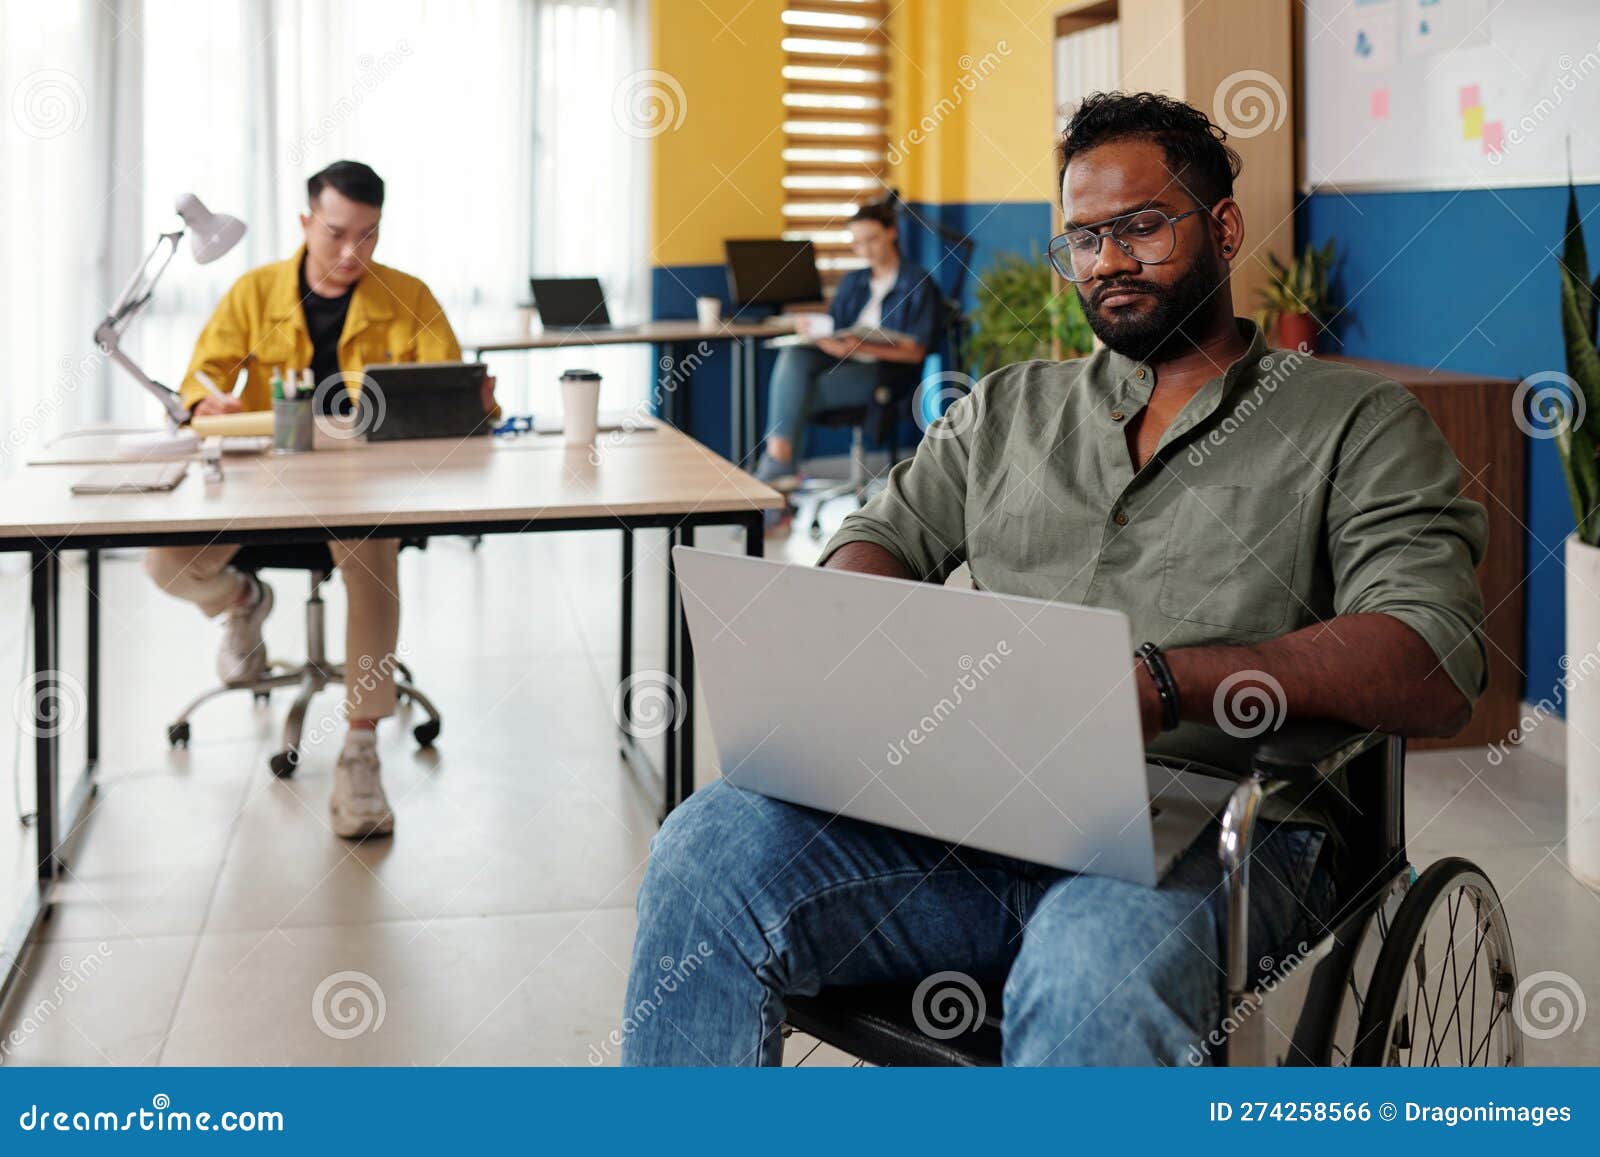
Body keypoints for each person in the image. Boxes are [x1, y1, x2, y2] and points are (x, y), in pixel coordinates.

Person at [622, 92, 1488, 1065]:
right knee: (710, 845)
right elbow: (879, 532)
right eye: (1082, 237)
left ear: (1224, 227)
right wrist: (847, 634)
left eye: (1140, 227)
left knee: (1088, 965)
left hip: (1218, 826)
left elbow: (1428, 652)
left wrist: (1169, 683)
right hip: (977, 806)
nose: (1107, 260)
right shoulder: (1007, 410)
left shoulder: (1355, 421)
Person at [144, 160, 467, 840]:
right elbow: (198, 377)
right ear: (304, 223)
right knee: (166, 562)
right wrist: (209, 398)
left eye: (369, 236)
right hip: (262, 490)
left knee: (372, 559)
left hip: (364, 490)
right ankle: (242, 602)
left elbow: (451, 394)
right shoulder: (254, 291)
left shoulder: (409, 296)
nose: (352, 253)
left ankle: (359, 749)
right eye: (336, 233)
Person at [754, 201, 941, 527]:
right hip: (843, 361)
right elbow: (836, 327)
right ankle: (779, 465)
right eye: (856, 242)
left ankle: (774, 479)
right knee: (792, 355)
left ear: (892, 233)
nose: (863, 249)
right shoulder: (854, 281)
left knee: (795, 396)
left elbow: (916, 352)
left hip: (885, 373)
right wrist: (822, 336)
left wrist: (862, 346)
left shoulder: (917, 282)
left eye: (871, 239)